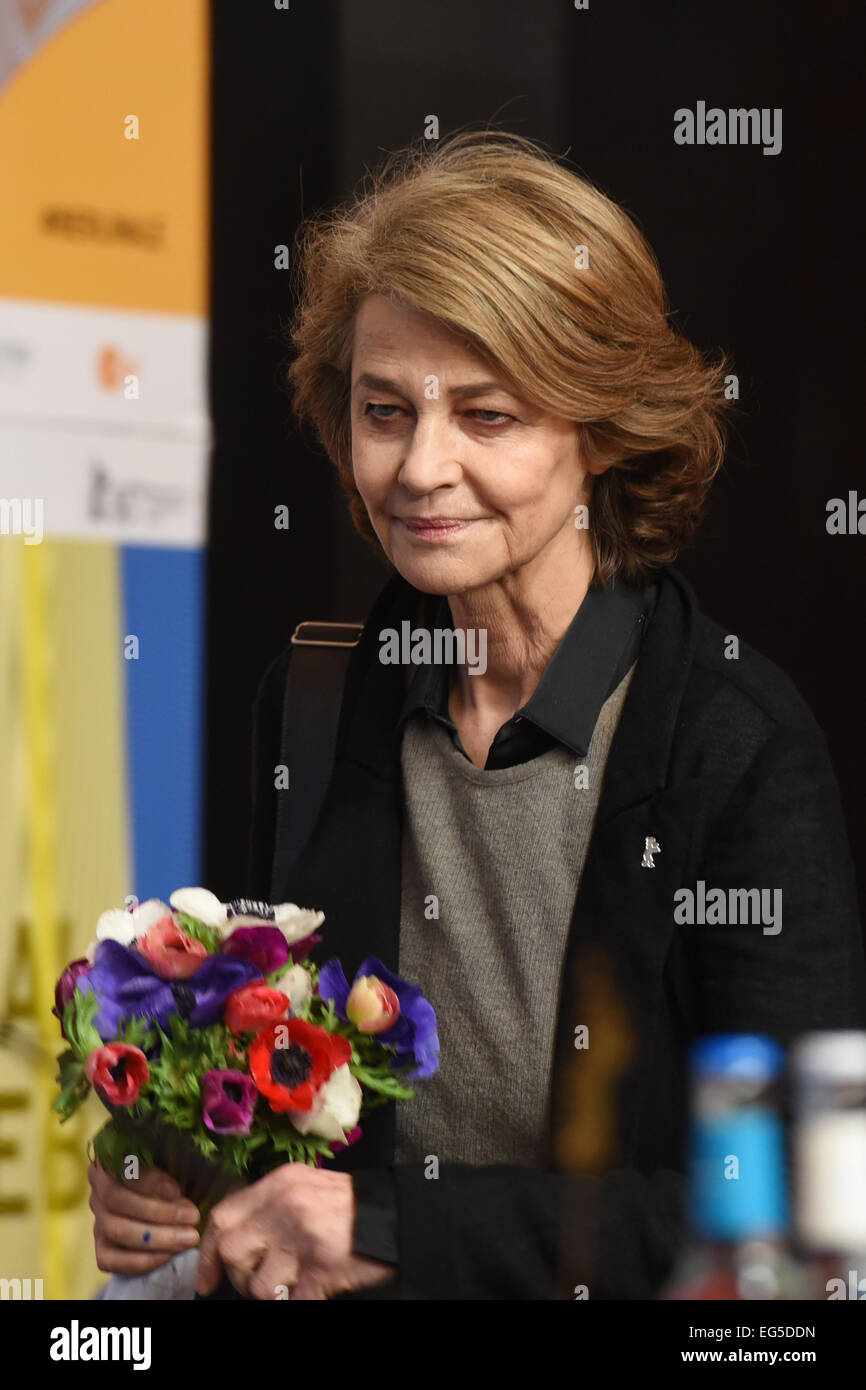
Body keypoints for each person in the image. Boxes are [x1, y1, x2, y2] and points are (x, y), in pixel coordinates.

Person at [89, 129, 866, 1300]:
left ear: (597, 435)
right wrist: (170, 1167)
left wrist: (403, 1230)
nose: (419, 468)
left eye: (488, 417)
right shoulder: (312, 699)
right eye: (385, 410)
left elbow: (802, 1231)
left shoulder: (731, 743)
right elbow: (283, 1124)